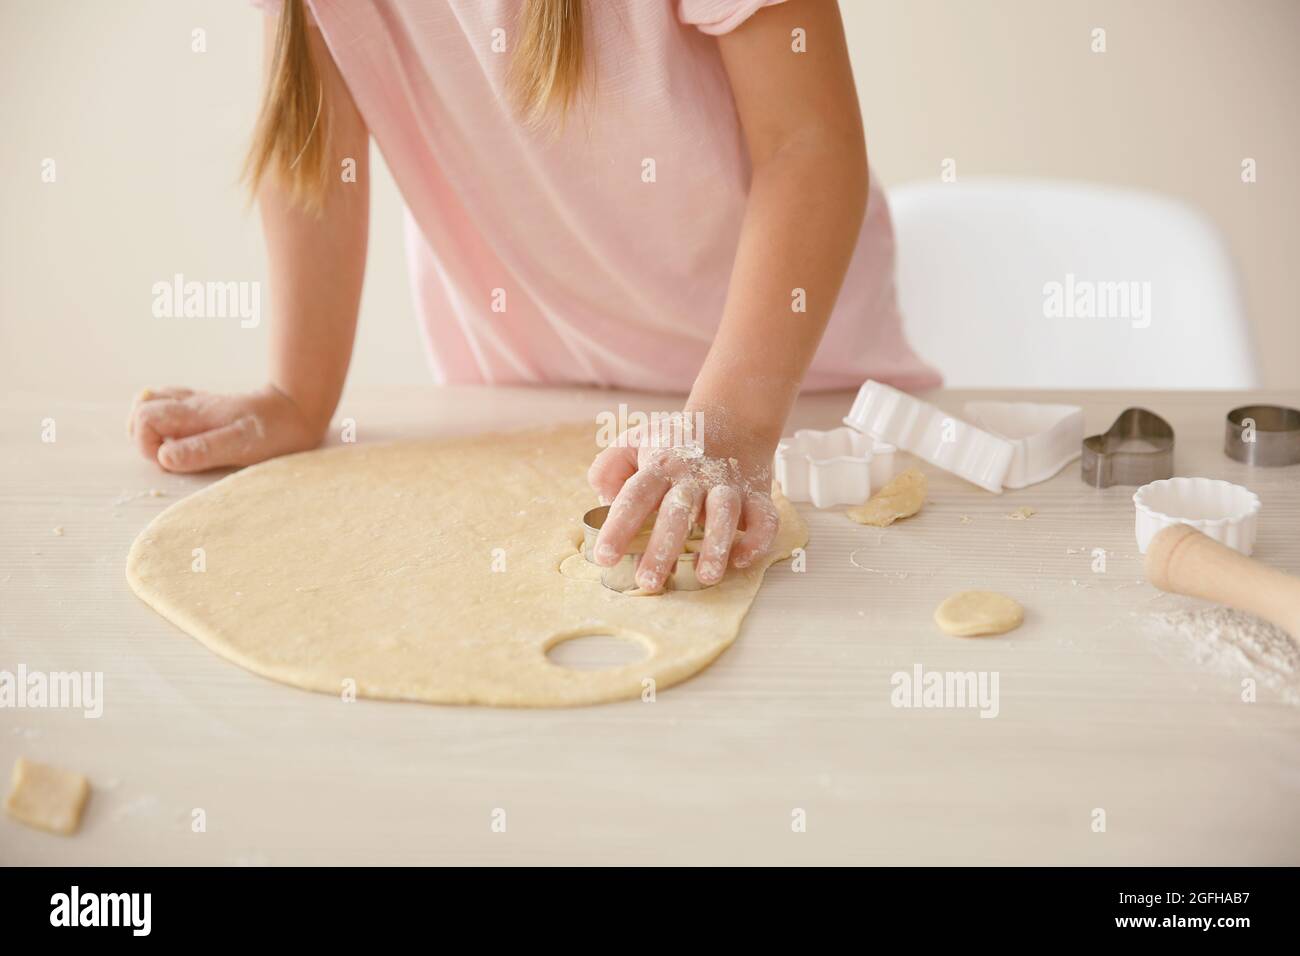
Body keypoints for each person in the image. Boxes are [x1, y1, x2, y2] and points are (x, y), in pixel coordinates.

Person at [128, 0, 939, 592]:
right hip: (523, 403)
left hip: (800, 405)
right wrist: (297, 392)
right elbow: (309, 136)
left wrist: (729, 423)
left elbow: (809, 144)